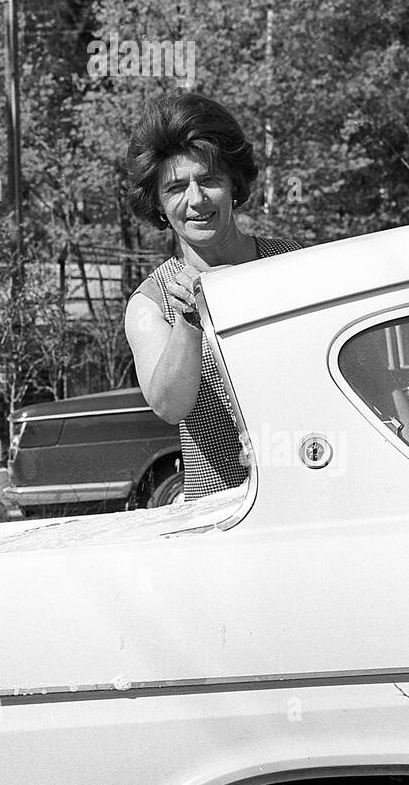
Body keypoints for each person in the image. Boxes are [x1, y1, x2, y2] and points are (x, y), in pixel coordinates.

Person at [123, 91, 300, 499]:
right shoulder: (152, 305)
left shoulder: (292, 264)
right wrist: (189, 322)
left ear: (234, 185)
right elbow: (169, 406)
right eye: (176, 188)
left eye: (209, 180)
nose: (196, 200)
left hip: (313, 488)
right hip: (224, 512)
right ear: (159, 205)